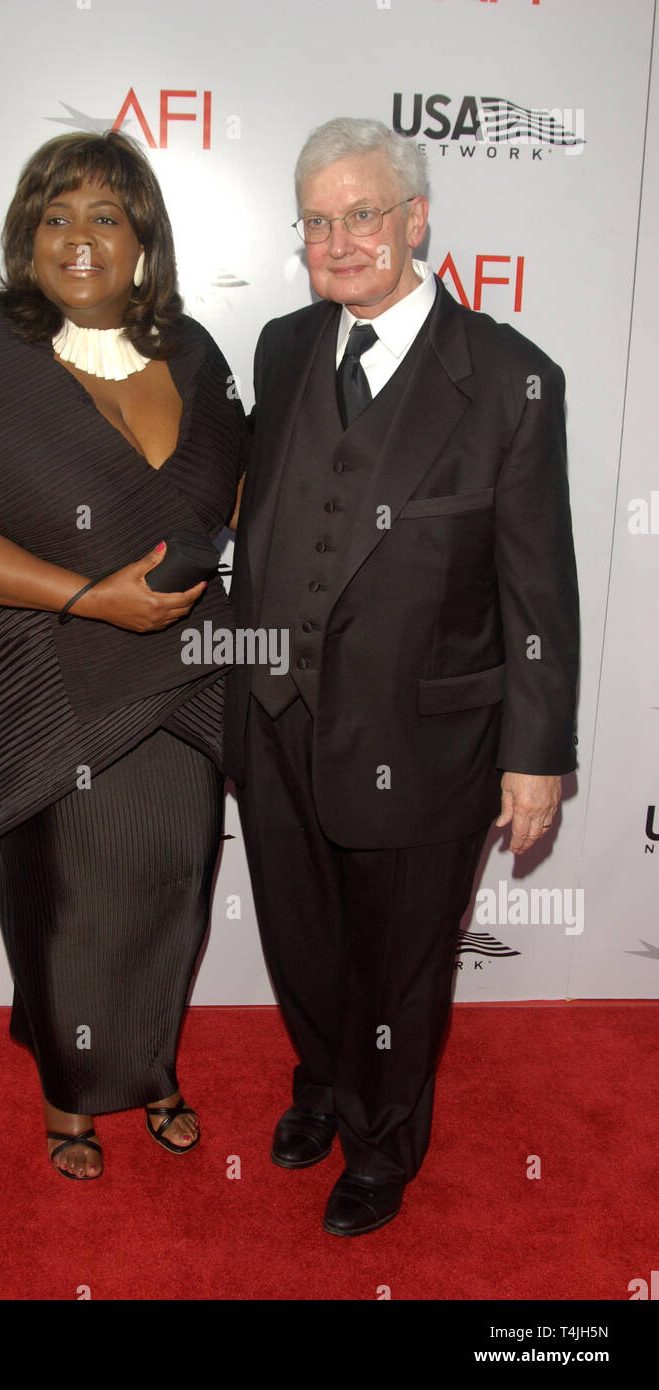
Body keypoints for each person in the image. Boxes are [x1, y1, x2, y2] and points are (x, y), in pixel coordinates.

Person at [226, 117, 579, 1235]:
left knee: (398, 962)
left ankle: (382, 1141)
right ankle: (325, 1084)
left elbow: (538, 584)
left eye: (362, 214)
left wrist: (536, 754)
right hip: (276, 717)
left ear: (415, 219)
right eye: (318, 221)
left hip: (422, 739)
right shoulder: (283, 347)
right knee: (301, 935)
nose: (339, 241)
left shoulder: (512, 379)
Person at [0, 131, 246, 1180]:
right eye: (55, 217)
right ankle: (68, 1097)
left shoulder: (194, 352)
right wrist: (90, 595)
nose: (78, 237)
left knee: (170, 884)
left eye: (104, 215)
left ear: (144, 238)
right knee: (65, 907)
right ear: (27, 241)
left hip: (182, 680)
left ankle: (152, 1067)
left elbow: (232, 490)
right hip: (46, 683)